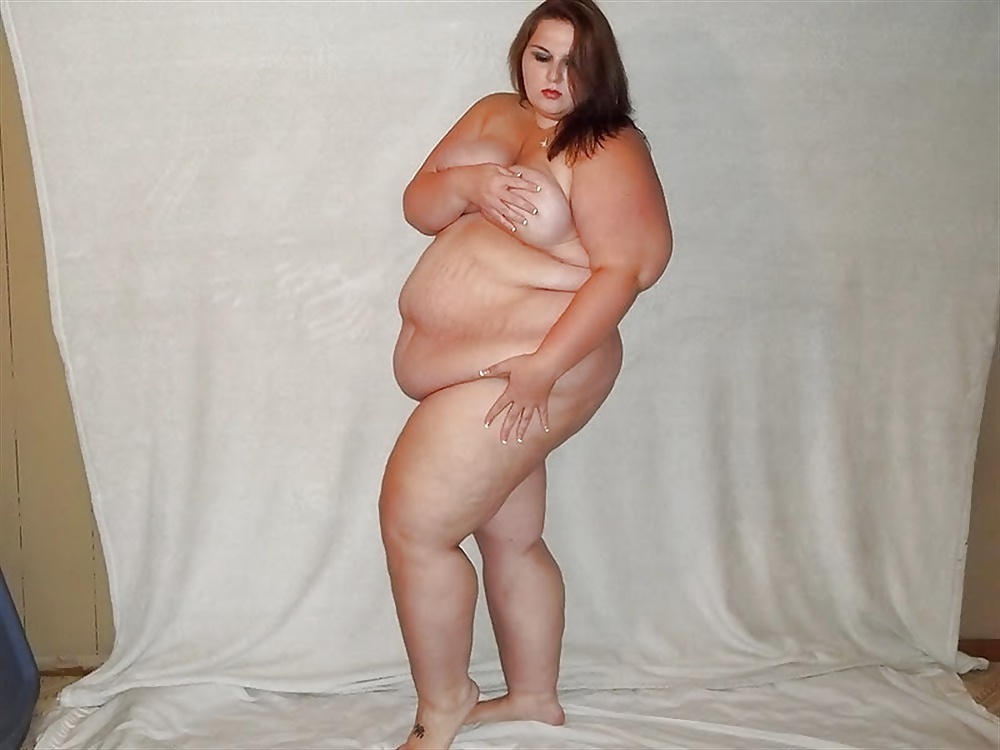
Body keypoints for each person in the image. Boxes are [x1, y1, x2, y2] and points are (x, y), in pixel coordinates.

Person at [379, 1, 672, 747]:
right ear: (522, 53)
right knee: (511, 533)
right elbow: (420, 204)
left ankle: (444, 704)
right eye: (542, 56)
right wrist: (472, 185)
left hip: (540, 361)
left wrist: (544, 366)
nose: (554, 77)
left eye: (574, 63)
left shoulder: (606, 145)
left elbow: (628, 269)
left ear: (600, 70)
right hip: (495, 360)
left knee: (416, 525)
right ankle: (535, 697)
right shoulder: (495, 114)